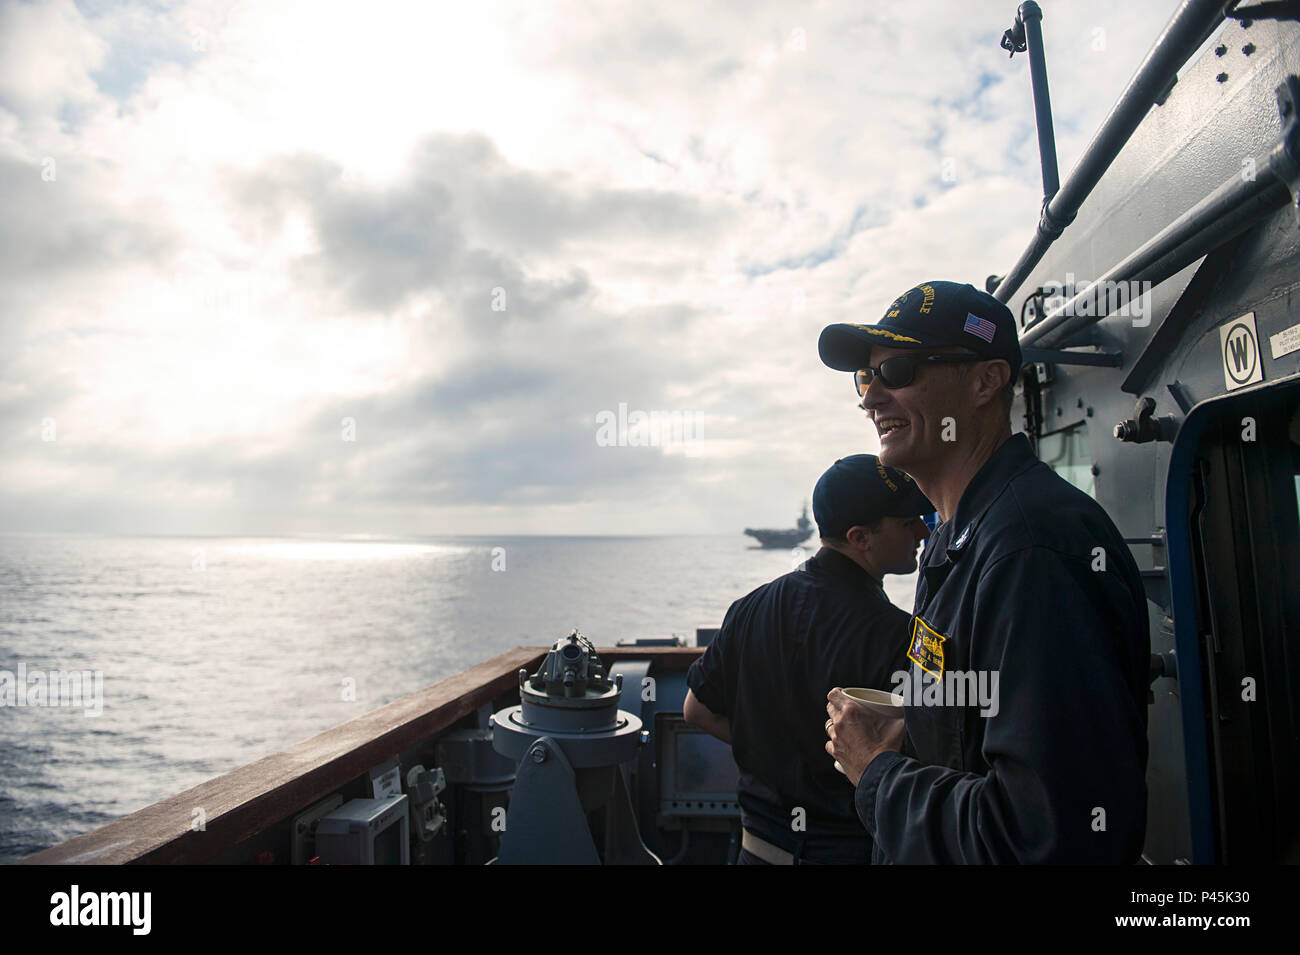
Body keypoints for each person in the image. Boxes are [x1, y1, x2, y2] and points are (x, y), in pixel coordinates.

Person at [818, 280, 1151, 864]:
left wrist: (876, 771)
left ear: (985, 381)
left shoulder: (1031, 549)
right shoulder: (957, 535)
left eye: (896, 369)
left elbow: (1044, 837)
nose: (870, 399)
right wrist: (914, 728)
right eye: (865, 379)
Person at [683, 455, 932, 864]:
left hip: (757, 850)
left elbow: (697, 711)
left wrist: (770, 752)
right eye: (908, 522)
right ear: (860, 537)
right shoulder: (899, 636)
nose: (923, 530)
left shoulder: (749, 608)